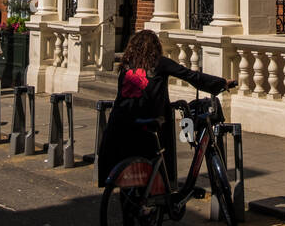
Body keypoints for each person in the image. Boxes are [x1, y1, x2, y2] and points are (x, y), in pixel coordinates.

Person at [97, 28, 236, 189]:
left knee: (130, 165)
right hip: (147, 121)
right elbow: (191, 76)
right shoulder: (159, 63)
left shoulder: (126, 66)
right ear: (155, 47)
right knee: (158, 154)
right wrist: (221, 83)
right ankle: (162, 186)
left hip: (120, 122)